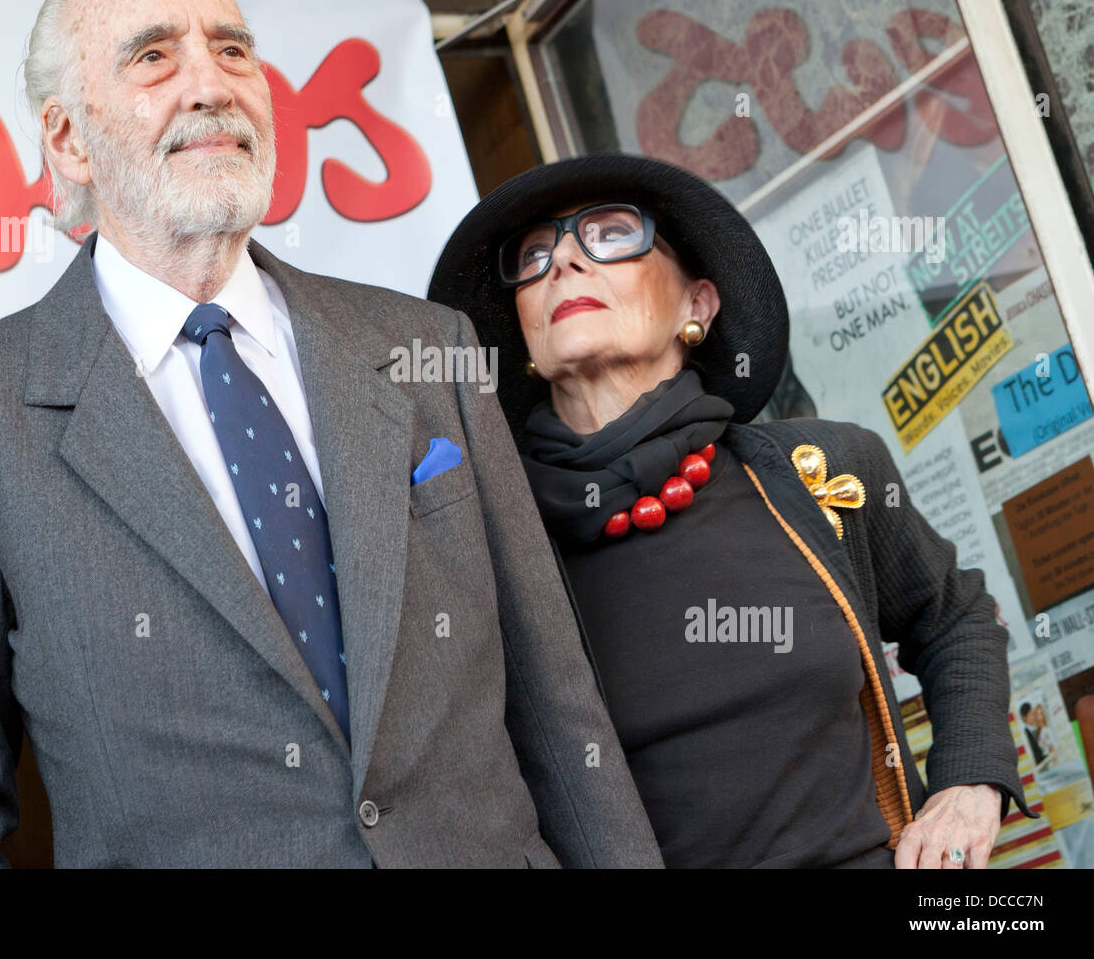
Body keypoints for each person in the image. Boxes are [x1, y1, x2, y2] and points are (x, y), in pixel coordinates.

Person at [0, 0, 663, 869]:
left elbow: (558, 704)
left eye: (234, 50)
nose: (212, 85)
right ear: (68, 139)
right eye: (154, 56)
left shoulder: (429, 348)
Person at [428, 153, 1036, 869]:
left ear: (698, 305)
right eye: (534, 254)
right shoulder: (486, 550)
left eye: (611, 234)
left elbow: (956, 616)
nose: (563, 260)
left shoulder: (822, 471)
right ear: (523, 332)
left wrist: (969, 780)